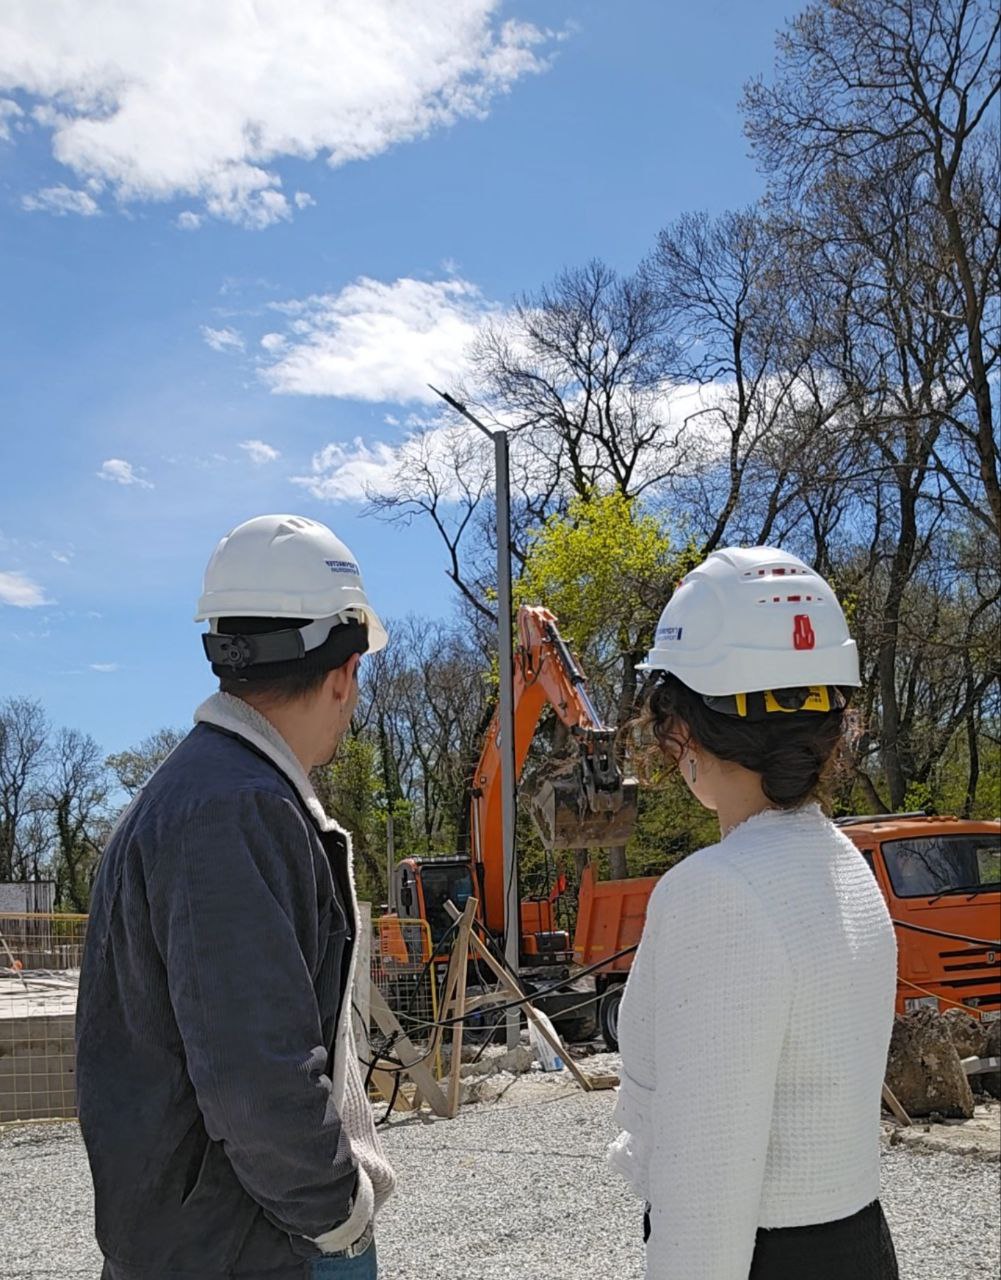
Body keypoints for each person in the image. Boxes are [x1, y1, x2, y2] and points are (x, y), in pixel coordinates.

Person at [76, 514, 396, 1280]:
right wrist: (338, 1220)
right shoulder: (234, 810)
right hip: (240, 1250)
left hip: (197, 1242)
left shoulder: (199, 791)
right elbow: (258, 1077)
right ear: (344, 672)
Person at [609, 545, 899, 1280]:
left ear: (681, 730)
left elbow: (706, 1183)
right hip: (857, 1243)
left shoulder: (715, 892)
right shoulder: (847, 867)